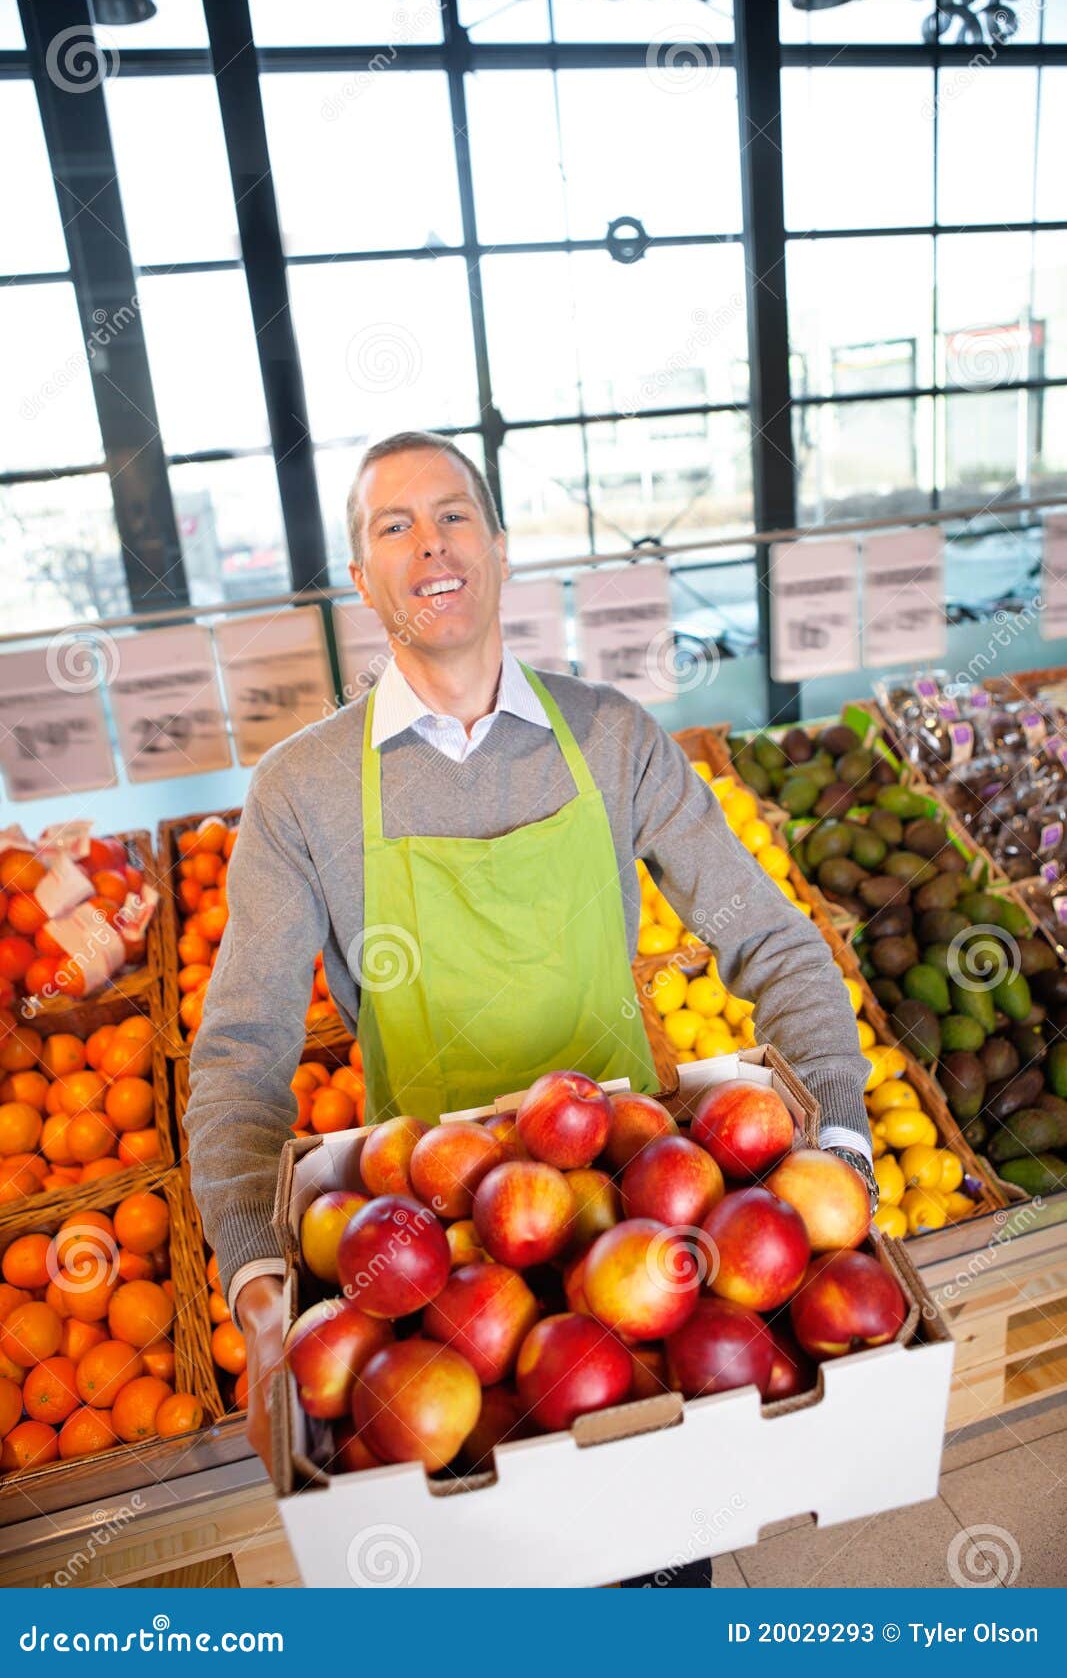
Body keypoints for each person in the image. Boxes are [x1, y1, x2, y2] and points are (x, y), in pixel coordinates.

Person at [185, 431, 875, 1589]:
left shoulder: (608, 738)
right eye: (391, 526)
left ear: (500, 550)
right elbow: (241, 1056)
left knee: (655, 1571)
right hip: (429, 1260)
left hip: (638, 1222)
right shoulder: (300, 790)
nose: (430, 545)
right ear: (359, 578)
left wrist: (842, 1144)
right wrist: (261, 1281)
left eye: (453, 515)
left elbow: (771, 940)